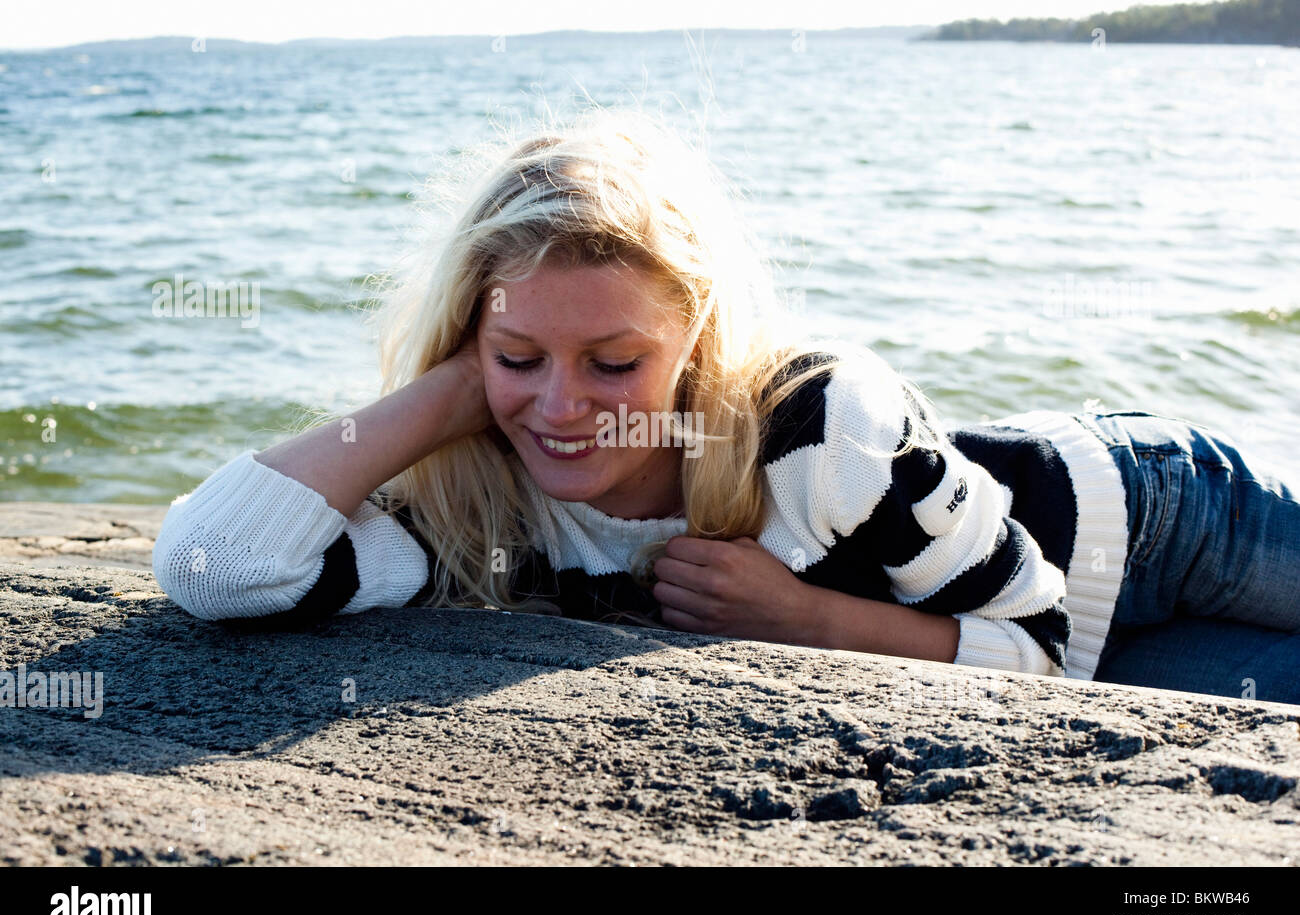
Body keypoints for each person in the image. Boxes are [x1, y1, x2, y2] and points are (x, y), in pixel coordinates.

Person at [151, 107, 1300, 706]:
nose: (563, 408)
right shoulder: (472, 499)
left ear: (696, 336)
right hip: (1023, 647)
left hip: (1146, 521)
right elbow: (213, 567)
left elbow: (1036, 640)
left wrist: (801, 619)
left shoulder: (816, 421)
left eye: (613, 362)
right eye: (518, 353)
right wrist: (451, 390)